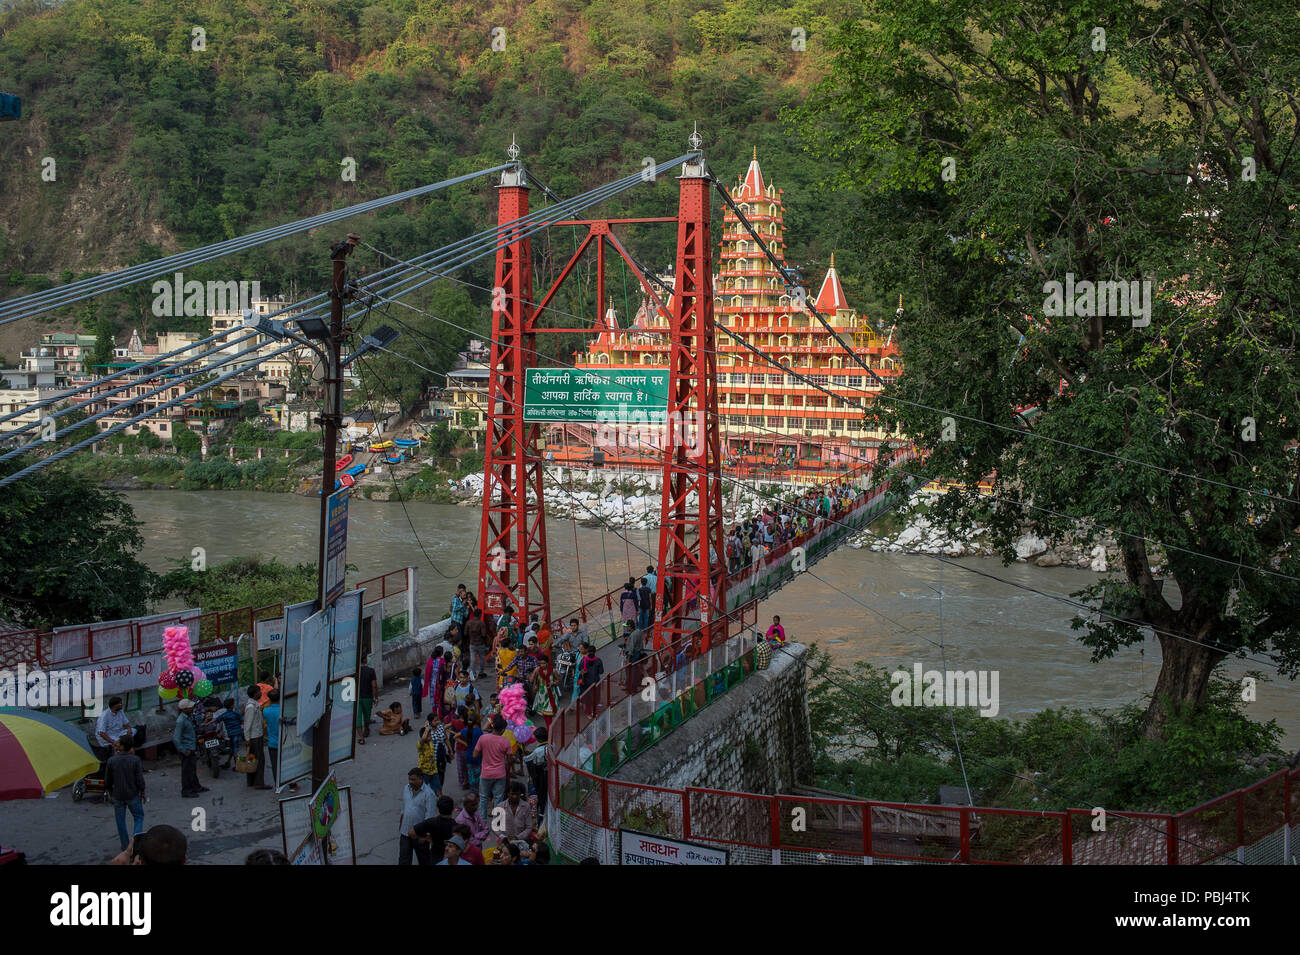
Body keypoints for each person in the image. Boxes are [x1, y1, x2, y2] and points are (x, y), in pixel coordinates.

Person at [106, 735, 146, 850]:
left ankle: (125, 845)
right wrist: (142, 791)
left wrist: (110, 792)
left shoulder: (112, 760)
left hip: (118, 795)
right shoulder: (135, 760)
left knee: (120, 821)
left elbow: (107, 780)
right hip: (132, 794)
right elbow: (139, 779)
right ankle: (135, 843)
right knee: (138, 817)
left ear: (122, 746)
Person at [474, 714, 512, 820]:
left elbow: (475, 754)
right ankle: (498, 824)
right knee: (499, 798)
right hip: (500, 773)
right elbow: (509, 760)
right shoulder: (505, 741)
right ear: (503, 730)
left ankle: (482, 822)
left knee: (483, 798)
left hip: (486, 773)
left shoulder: (483, 738)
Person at [398, 769, 436, 866]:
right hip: (405, 831)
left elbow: (429, 817)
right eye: (410, 780)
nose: (411, 782)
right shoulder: (406, 788)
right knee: (403, 859)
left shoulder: (429, 794)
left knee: (424, 860)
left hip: (420, 834)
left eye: (413, 780)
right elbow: (404, 808)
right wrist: (401, 823)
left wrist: (425, 835)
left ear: (421, 779)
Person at [263, 689, 299, 792]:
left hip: (272, 742)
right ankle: (292, 785)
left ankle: (278, 786)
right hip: (285, 741)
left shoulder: (266, 711)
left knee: (275, 765)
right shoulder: (284, 710)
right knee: (289, 763)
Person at [173, 699, 206, 798]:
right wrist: (183, 750)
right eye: (190, 707)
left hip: (190, 746)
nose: (192, 708)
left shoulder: (187, 717)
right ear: (185, 709)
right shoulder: (181, 721)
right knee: (187, 771)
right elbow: (176, 738)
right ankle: (186, 790)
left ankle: (196, 786)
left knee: (192, 769)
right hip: (186, 748)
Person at [412, 794, 457, 866]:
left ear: (438, 808)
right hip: (451, 858)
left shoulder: (431, 822)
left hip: (435, 857)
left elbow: (411, 833)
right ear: (452, 809)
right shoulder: (455, 826)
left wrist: (424, 837)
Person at [243, 685, 270, 789]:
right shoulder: (251, 706)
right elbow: (247, 724)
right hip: (255, 737)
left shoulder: (254, 704)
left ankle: (251, 781)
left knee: (252, 759)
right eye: (259, 692)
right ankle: (259, 783)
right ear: (255, 694)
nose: (261, 693)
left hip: (255, 736)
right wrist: (247, 738)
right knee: (258, 760)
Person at [523, 726, 549, 822]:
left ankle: (536, 819)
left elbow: (527, 760)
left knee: (535, 795)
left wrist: (524, 755)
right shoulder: (551, 746)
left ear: (538, 739)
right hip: (548, 776)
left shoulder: (538, 751)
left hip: (540, 778)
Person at [214, 697, 243, 770]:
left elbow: (216, 720)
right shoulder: (235, 713)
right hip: (237, 733)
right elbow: (241, 721)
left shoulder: (224, 714)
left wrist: (206, 723)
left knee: (233, 749)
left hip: (230, 734)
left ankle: (230, 763)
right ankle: (235, 765)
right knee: (234, 749)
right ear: (232, 706)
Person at [356, 654, 378, 744]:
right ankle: (367, 729)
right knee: (367, 716)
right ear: (365, 660)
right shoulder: (371, 671)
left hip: (356, 698)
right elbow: (374, 686)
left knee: (357, 718)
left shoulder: (354, 671)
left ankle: (361, 738)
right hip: (368, 697)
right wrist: (375, 697)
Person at [416, 720, 441, 795]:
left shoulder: (430, 742)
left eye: (430, 734)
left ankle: (440, 802)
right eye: (429, 735)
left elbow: (425, 736)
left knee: (437, 788)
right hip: (424, 771)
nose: (430, 736)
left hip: (433, 769)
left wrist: (426, 727)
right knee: (423, 790)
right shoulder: (420, 745)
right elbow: (423, 738)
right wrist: (426, 729)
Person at [465, 609, 490, 679]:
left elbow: (465, 633)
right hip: (480, 643)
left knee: (472, 658)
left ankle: (472, 673)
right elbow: (484, 634)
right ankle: (481, 672)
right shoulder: (481, 623)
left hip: (472, 643)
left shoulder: (469, 622)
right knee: (482, 658)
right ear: (480, 615)